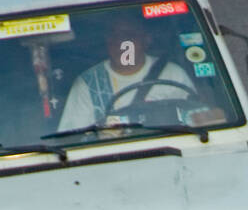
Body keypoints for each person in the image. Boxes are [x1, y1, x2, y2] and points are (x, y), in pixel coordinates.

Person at [57, 11, 196, 131]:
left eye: (128, 35)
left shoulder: (172, 74)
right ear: (107, 41)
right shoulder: (87, 84)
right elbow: (74, 135)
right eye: (114, 36)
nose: (121, 43)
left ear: (146, 40)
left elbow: (195, 117)